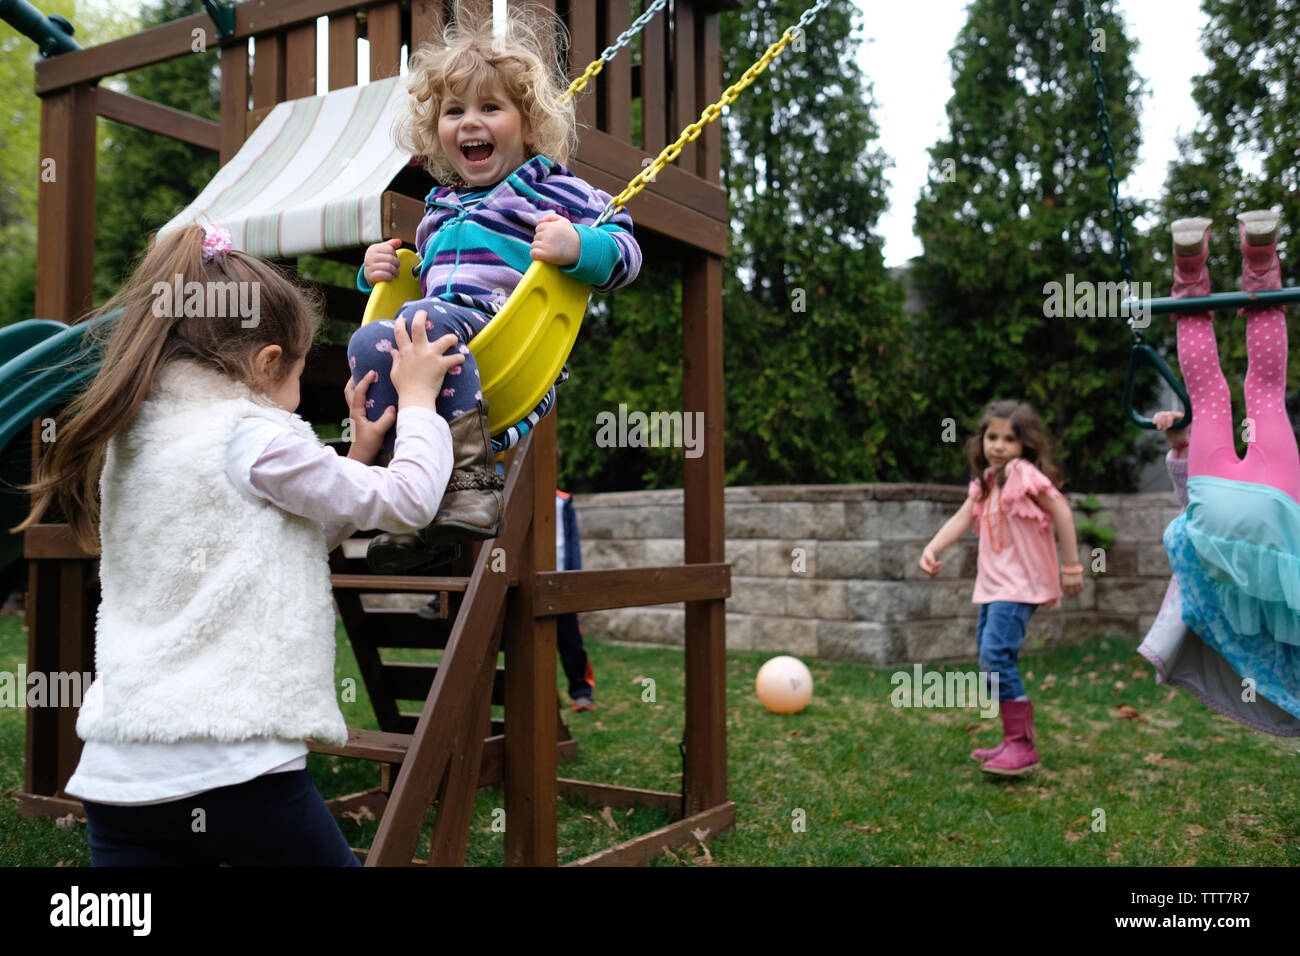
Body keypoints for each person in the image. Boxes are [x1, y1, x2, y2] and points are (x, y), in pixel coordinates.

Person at [14, 224, 462, 866]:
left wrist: (358, 453)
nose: (299, 396)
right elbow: (407, 501)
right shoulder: (253, 436)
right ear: (266, 363)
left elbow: (273, 535)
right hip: (235, 765)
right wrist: (419, 402)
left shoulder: (137, 442)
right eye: (301, 374)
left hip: (121, 772)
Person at [351, 6, 642, 572]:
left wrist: (578, 247)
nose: (469, 122)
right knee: (367, 345)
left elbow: (627, 254)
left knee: (422, 323)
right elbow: (416, 279)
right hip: (433, 334)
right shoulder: (440, 209)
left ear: (529, 125)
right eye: (454, 110)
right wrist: (377, 270)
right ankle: (408, 502)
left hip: (504, 336)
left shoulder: (557, 191)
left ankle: (474, 482)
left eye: (490, 108)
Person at [1139, 211, 1300, 727]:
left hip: (1277, 499)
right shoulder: (1243, 613)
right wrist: (1180, 448)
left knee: (1261, 394)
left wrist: (1179, 445)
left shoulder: (1280, 607)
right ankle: (1189, 273)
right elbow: (1184, 508)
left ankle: (1259, 259)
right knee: (1213, 395)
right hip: (1213, 506)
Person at [920, 401, 1084, 776]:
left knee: (996, 658)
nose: (998, 446)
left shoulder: (1021, 473)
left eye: (1009, 439)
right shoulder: (988, 481)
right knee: (989, 661)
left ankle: (1022, 746)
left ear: (1025, 445)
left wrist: (1072, 566)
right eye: (992, 437)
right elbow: (963, 516)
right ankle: (1013, 737)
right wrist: (932, 547)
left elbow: (1061, 509)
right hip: (994, 587)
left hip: (1019, 586)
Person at [556, 489, 596, 710]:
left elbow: (572, 543)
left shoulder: (563, 501)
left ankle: (581, 691)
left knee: (571, 642)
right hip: (530, 581)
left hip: (562, 581)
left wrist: (575, 578)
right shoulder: (515, 495)